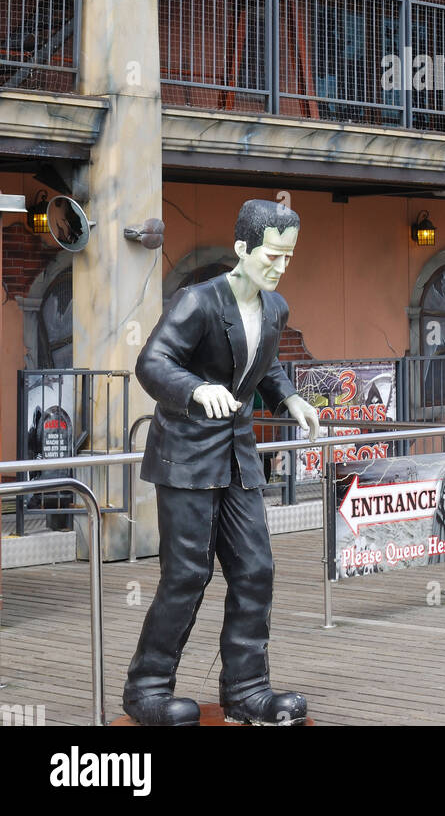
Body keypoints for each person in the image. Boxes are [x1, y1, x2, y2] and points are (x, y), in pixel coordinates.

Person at [123, 199, 320, 727]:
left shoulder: (275, 308)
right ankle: (147, 690)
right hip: (185, 455)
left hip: (237, 455)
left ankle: (248, 690)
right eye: (272, 256)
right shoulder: (198, 301)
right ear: (242, 249)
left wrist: (288, 399)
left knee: (256, 569)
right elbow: (152, 363)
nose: (280, 268)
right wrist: (195, 390)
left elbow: (267, 363)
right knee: (186, 575)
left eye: (288, 258)